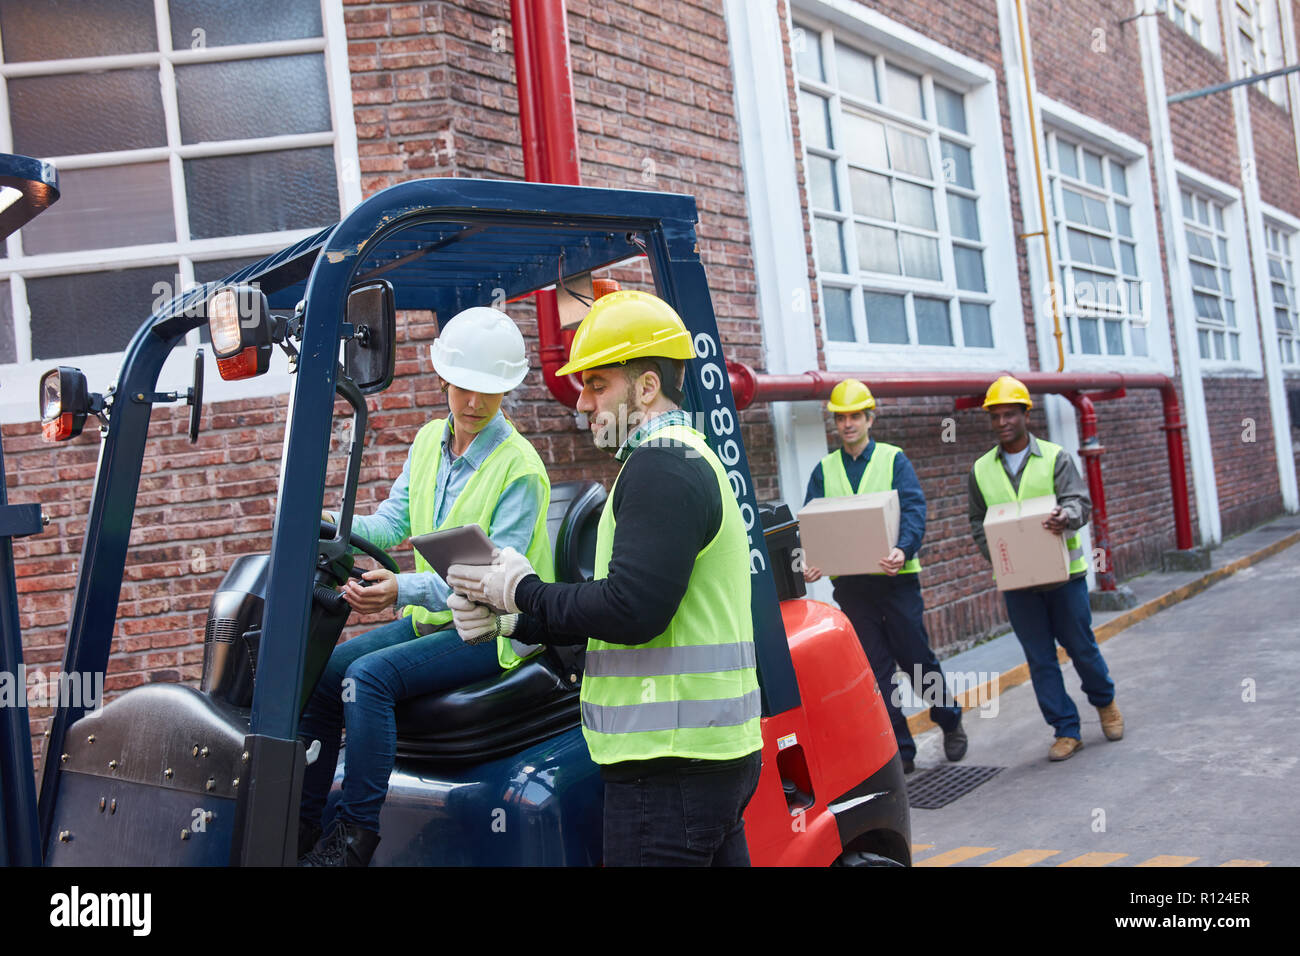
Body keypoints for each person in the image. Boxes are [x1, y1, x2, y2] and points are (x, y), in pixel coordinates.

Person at [446, 290, 763, 867]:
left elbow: (631, 611)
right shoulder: (676, 458)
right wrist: (516, 616)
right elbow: (629, 609)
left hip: (669, 768)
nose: (583, 403)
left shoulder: (661, 465)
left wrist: (523, 591)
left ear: (647, 386)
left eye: (598, 385)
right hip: (698, 756)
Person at [297, 307, 554, 866]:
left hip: (494, 630)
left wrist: (400, 591)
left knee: (368, 678)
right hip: (435, 621)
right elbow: (393, 523)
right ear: (444, 379)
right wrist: (326, 525)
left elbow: (491, 584)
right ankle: (299, 828)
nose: (474, 403)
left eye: (489, 391)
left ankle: (352, 840)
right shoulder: (428, 442)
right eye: (464, 388)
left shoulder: (520, 470)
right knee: (323, 675)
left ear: (507, 388)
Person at [801, 379, 965, 774]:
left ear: (870, 418)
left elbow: (913, 509)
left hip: (896, 580)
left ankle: (949, 719)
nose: (848, 424)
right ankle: (901, 751)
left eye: (855, 416)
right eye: (841, 418)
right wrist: (813, 558)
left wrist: (902, 548)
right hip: (854, 588)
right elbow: (814, 520)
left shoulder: (894, 460)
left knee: (915, 659)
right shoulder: (824, 470)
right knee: (875, 672)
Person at [968, 375, 1123, 762]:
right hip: (1018, 583)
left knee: (1081, 647)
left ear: (1025, 415)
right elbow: (976, 521)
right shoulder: (981, 470)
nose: (1002, 422)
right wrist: (1000, 555)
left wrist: (1064, 517)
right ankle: (1066, 730)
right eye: (995, 416)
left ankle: (1105, 703)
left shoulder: (1056, 457)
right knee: (1039, 659)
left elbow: (1080, 504)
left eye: (1009, 414)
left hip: (1064, 578)